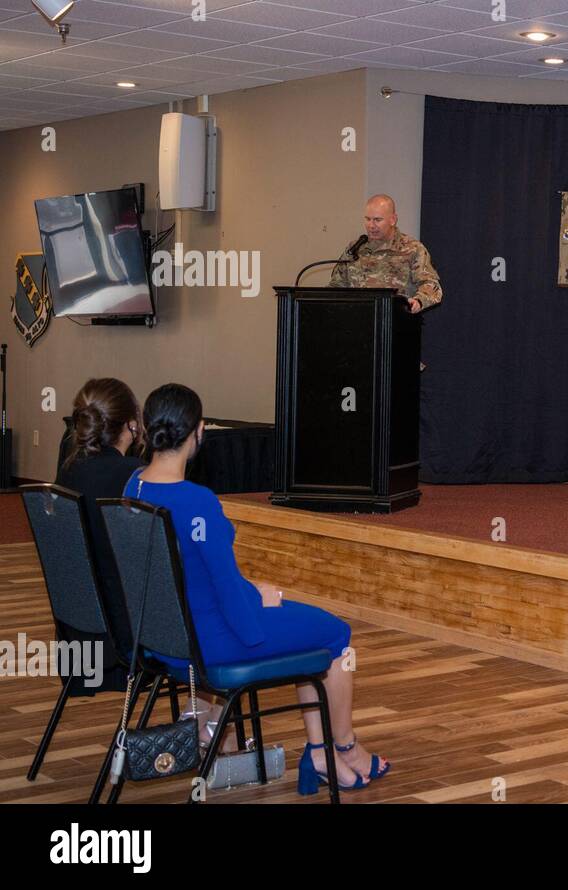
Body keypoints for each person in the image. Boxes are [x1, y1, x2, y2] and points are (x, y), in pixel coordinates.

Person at [127, 383, 389, 791]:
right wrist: (257, 605)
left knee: (299, 627)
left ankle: (322, 752)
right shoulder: (197, 501)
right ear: (198, 432)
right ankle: (340, 750)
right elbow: (229, 596)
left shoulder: (134, 488)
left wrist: (251, 590)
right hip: (214, 642)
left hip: (165, 641)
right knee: (337, 636)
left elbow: (193, 573)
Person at [54, 378, 144, 694]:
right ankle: (209, 728)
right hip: (129, 634)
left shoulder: (69, 469)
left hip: (78, 628)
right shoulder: (135, 477)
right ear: (132, 425)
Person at [329, 193, 442, 314]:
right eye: (368, 219)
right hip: (356, 320)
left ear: (393, 220)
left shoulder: (412, 249)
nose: (371, 225)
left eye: (377, 220)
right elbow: (336, 285)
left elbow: (432, 286)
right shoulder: (355, 248)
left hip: (397, 322)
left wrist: (419, 301)